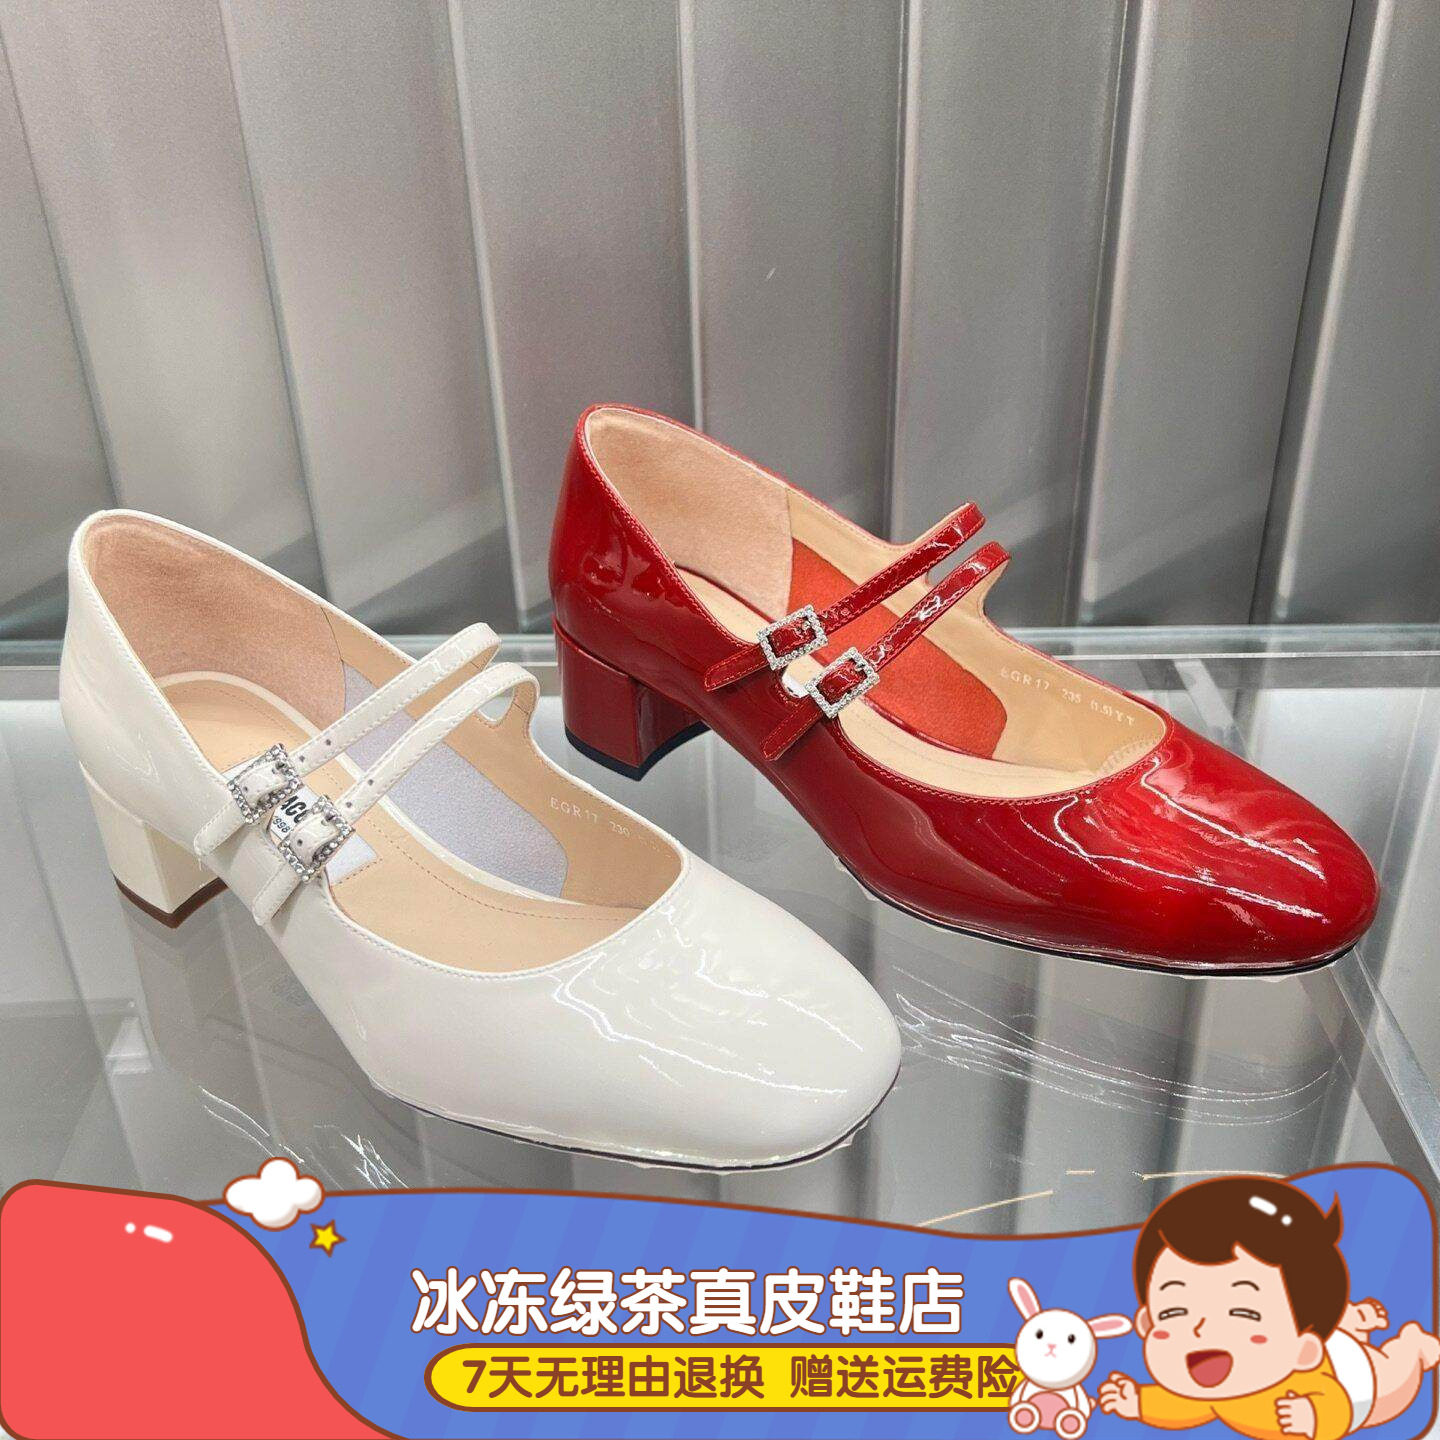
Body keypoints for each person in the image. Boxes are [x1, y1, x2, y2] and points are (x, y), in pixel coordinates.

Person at [1097, 1177, 1438, 1438]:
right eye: (1174, 1312)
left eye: (1243, 1313)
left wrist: (1312, 1416)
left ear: (1303, 1351)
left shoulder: (1301, 1385)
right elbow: (1177, 1406)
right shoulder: (1210, 1393)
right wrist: (1137, 1402)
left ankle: (1412, 1345)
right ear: (1147, 1323)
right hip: (1319, 1339)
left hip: (1359, 1382)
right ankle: (1352, 1321)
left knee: (1397, 1381)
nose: (1200, 1328)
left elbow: (1336, 1401)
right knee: (1330, 1327)